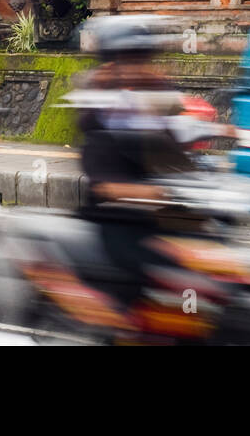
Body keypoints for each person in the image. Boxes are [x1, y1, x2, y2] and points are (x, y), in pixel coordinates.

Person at [74, 17, 194, 304]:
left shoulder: (160, 94)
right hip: (117, 221)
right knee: (150, 279)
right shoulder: (98, 110)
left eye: (142, 58)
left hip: (162, 217)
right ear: (110, 64)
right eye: (129, 59)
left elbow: (182, 149)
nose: (138, 67)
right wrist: (157, 193)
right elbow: (104, 185)